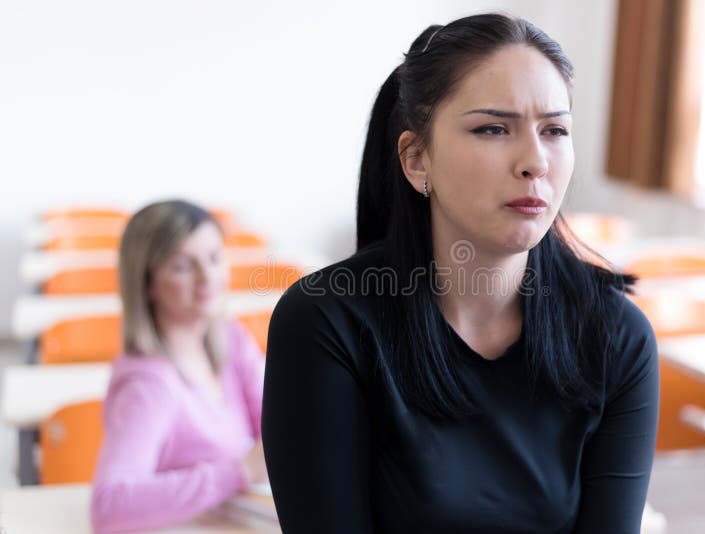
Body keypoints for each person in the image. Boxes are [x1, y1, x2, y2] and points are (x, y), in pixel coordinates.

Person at [263, 13, 659, 533]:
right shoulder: (325, 323)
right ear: (416, 159)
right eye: (493, 128)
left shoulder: (616, 335)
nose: (534, 161)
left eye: (554, 130)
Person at [90, 200, 268, 533]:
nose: (208, 278)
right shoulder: (148, 385)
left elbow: (273, 424)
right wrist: (240, 471)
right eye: (183, 266)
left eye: (215, 259)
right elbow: (109, 506)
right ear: (147, 283)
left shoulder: (231, 339)